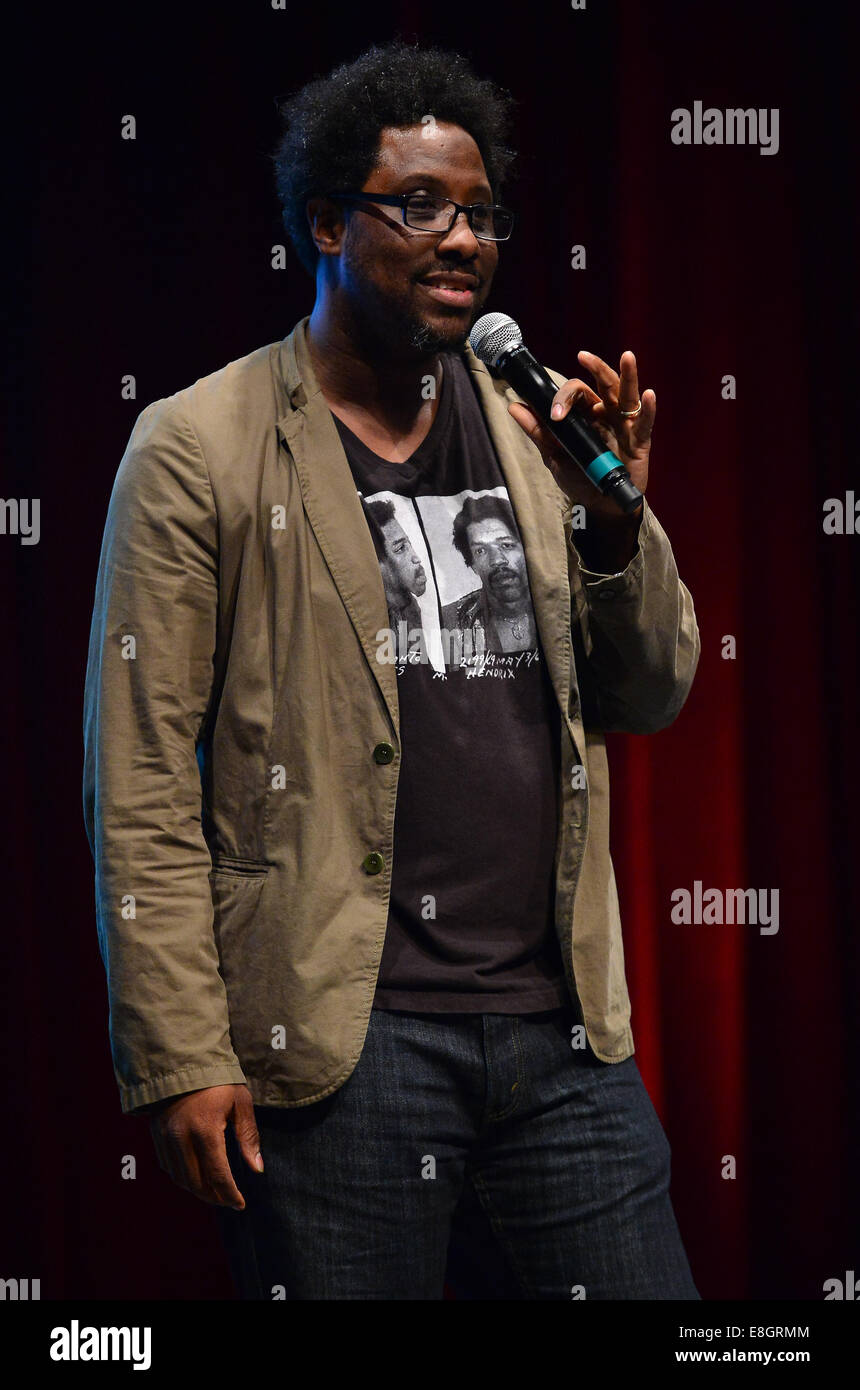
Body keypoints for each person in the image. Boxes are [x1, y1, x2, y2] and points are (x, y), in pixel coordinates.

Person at [83, 39, 701, 1300]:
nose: (461, 238)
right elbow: (138, 770)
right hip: (336, 1043)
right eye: (418, 205)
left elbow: (652, 690)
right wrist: (181, 1049)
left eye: (479, 212)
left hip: (561, 1036)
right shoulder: (199, 445)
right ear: (323, 223)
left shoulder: (537, 427)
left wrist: (614, 522)